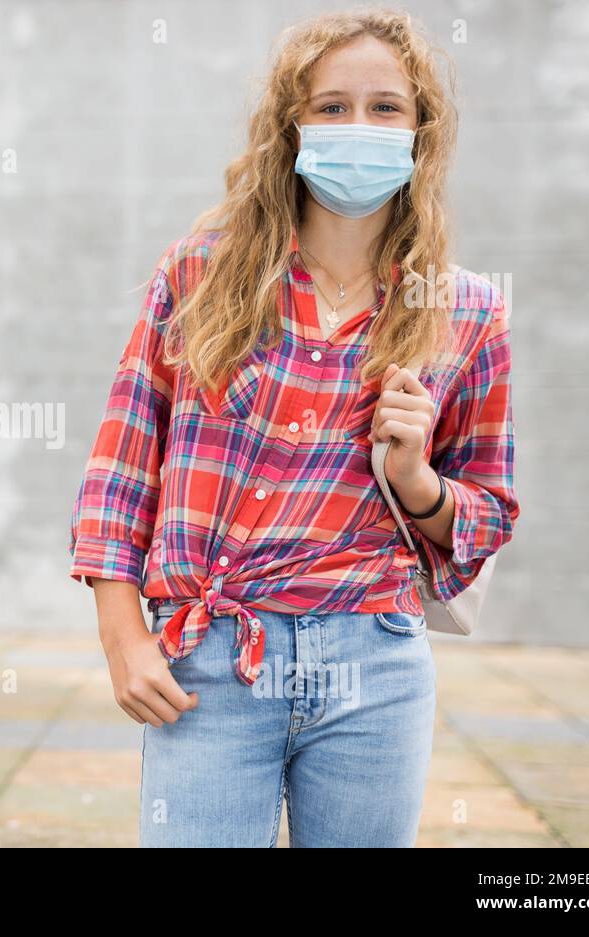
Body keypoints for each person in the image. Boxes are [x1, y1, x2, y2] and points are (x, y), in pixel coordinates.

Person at [69, 9, 519, 847]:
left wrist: (419, 479)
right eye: (332, 106)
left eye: (386, 108)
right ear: (293, 125)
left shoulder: (466, 311)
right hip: (212, 664)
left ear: (421, 130)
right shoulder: (199, 272)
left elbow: (488, 508)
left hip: (375, 666)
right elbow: (122, 465)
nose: (359, 126)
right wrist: (122, 636)